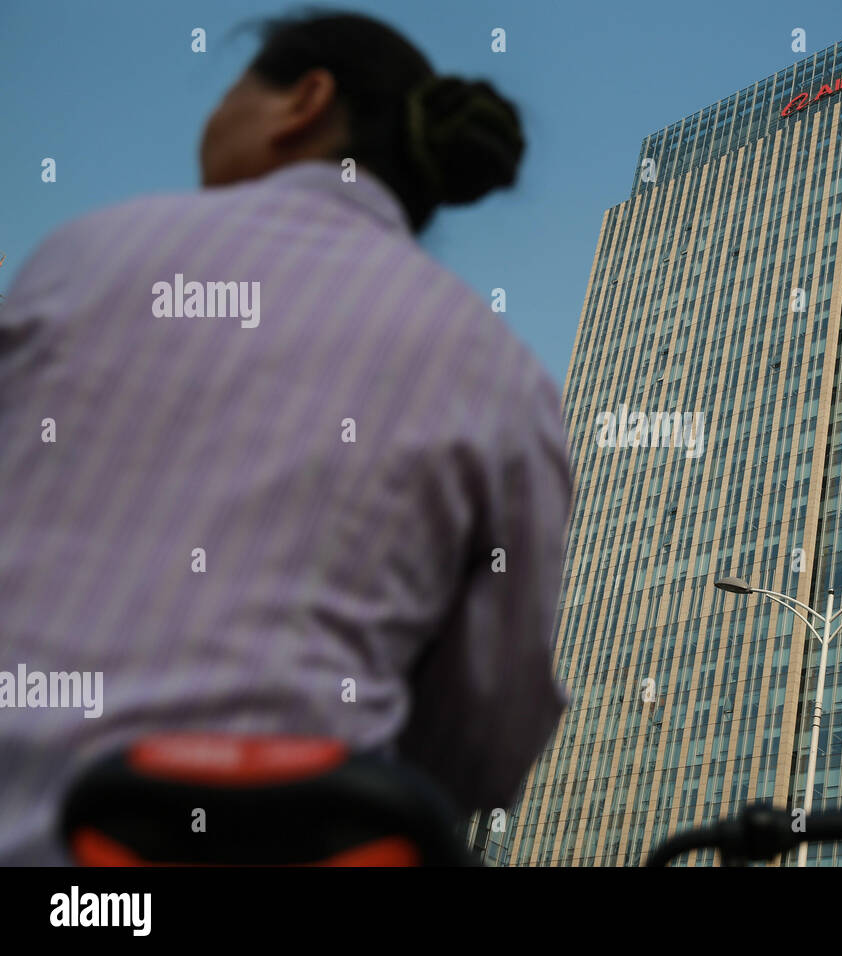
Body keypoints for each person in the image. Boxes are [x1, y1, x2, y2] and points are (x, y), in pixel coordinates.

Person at [0, 11, 571, 865]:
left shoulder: (82, 256)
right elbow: (484, 744)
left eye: (230, 93)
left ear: (304, 100)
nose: (211, 125)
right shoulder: (505, 376)